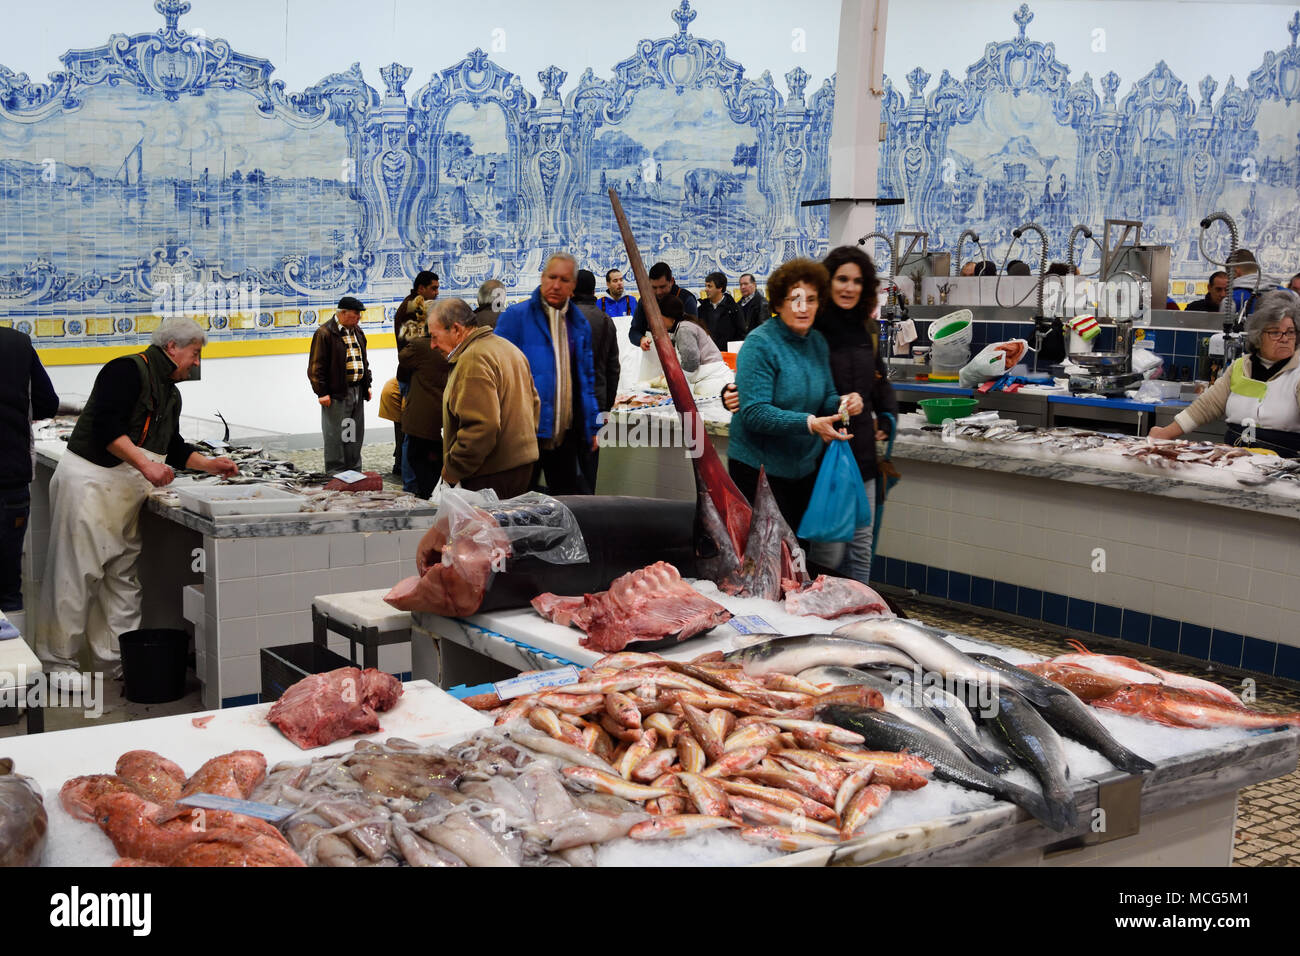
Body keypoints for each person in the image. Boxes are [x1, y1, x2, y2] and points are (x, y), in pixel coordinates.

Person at [36, 318, 237, 685]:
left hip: (125, 492)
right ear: (172, 348)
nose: (196, 362)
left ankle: (113, 662)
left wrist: (210, 464)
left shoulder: (171, 393)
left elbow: (171, 445)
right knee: (75, 574)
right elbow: (106, 428)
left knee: (122, 579)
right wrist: (145, 464)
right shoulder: (125, 370)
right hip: (91, 481)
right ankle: (56, 663)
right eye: (194, 354)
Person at [726, 258, 862, 532]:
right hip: (758, 471)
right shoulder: (760, 344)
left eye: (812, 299)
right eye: (795, 299)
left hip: (802, 469)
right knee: (768, 561)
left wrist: (843, 404)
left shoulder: (817, 343)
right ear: (777, 304)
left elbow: (825, 397)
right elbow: (754, 412)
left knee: (799, 556)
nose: (804, 307)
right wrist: (809, 423)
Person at [495, 253, 601, 495]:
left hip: (565, 435)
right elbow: (495, 374)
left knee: (566, 506)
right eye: (551, 277)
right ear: (542, 278)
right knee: (517, 503)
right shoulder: (516, 318)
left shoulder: (579, 324)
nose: (556, 285)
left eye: (564, 280)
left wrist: (593, 427)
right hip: (525, 435)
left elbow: (586, 380)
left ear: (573, 286)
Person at [1149, 290, 1300, 457]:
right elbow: (1206, 406)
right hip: (1233, 460)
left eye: (1291, 332)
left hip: (1284, 464)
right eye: (1275, 332)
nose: (1285, 338)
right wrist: (1165, 433)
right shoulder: (1240, 367)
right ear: (1258, 336)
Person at [430, 299, 540, 498]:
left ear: (456, 329)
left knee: (486, 529)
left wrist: (452, 471)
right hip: (521, 467)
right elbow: (535, 404)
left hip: (489, 474)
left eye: (434, 337)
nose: (432, 345)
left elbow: (481, 427)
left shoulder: (473, 358)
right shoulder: (507, 348)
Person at [0, 326, 58, 624]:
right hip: (9, 477)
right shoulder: (16, 342)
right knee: (9, 583)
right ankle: (13, 669)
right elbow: (48, 403)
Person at [309, 295, 373, 474]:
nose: (359, 317)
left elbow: (363, 360)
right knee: (336, 435)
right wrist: (321, 392)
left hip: (357, 391)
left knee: (353, 432)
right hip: (337, 393)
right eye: (356, 314)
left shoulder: (358, 332)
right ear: (343, 313)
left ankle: (353, 470)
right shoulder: (325, 333)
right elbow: (316, 366)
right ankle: (336, 473)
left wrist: (367, 383)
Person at [572, 268, 622, 490]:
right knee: (590, 468)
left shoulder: (562, 320)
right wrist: (607, 406)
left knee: (565, 475)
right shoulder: (605, 320)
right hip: (596, 404)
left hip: (566, 407)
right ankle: (588, 516)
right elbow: (613, 368)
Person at [397, 300, 451, 499]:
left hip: (422, 418)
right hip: (445, 416)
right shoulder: (456, 345)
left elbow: (403, 361)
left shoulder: (420, 346)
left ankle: (422, 496)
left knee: (416, 456)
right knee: (436, 460)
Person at [393, 272, 438, 478]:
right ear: (421, 288)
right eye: (433, 288)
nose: (436, 293)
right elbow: (409, 350)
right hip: (412, 377)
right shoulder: (412, 310)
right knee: (412, 432)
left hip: (413, 376)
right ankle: (410, 481)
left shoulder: (414, 306)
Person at [652, 296, 734, 397]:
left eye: (660, 317)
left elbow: (691, 360)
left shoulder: (684, 329)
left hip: (714, 382)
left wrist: (679, 381)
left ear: (670, 316)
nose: (659, 321)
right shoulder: (684, 326)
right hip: (710, 381)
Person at [626, 261, 698, 346]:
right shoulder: (645, 301)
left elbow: (693, 333)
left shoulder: (687, 299)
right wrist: (641, 339)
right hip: (651, 354)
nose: (658, 292)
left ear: (671, 281)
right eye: (654, 287)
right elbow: (634, 331)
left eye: (662, 287)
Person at [698, 271, 746, 352]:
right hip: (706, 354)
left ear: (720, 288)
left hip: (726, 355)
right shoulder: (701, 308)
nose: (706, 290)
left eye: (709, 286)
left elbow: (741, 335)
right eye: (705, 286)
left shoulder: (734, 309)